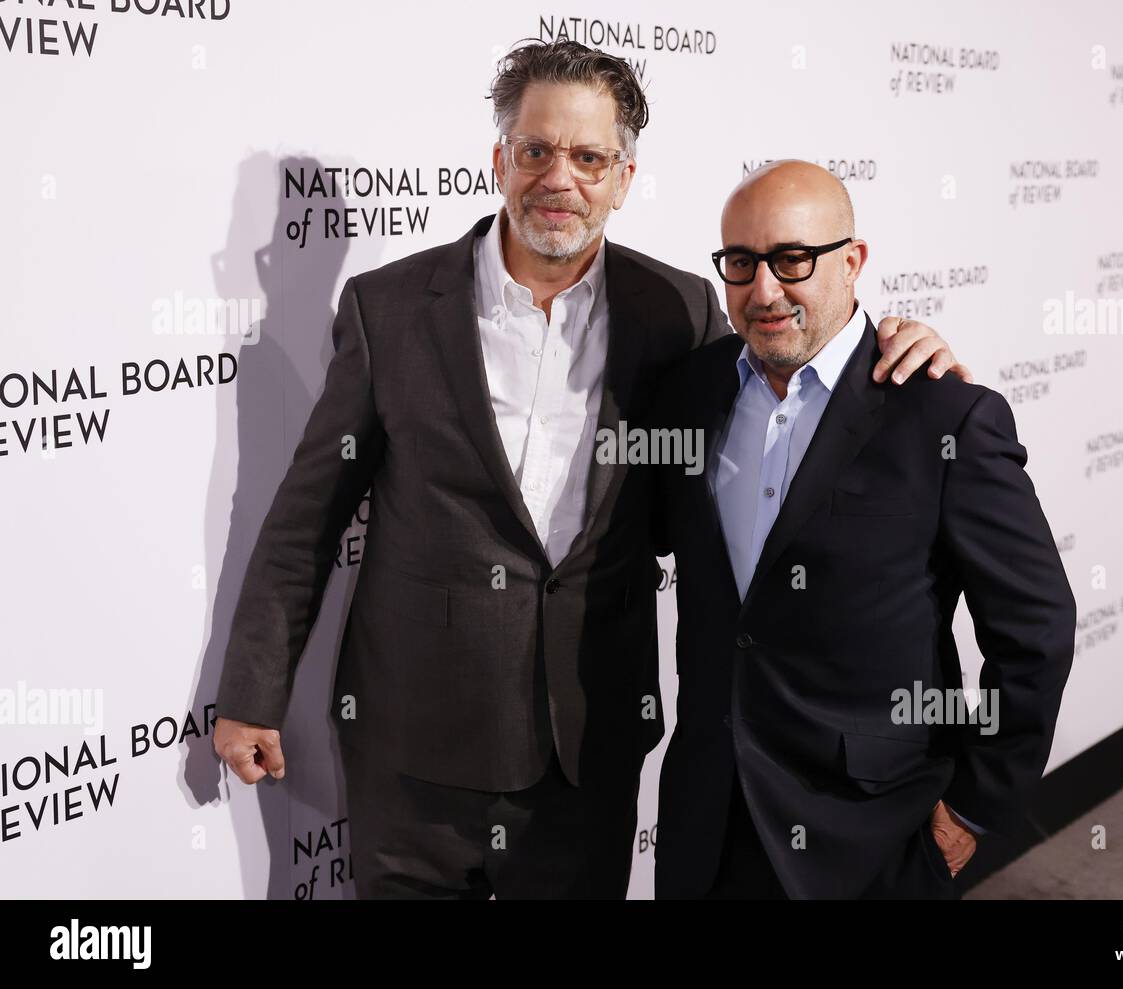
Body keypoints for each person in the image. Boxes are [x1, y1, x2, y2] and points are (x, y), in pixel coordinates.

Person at [213, 41, 967, 899]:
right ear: (500, 160)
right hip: (410, 751)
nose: (558, 179)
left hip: (588, 751)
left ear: (624, 176)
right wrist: (251, 691)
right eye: (535, 151)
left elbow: (793, 391)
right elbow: (306, 518)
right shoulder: (389, 310)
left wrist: (901, 353)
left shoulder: (678, 310)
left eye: (588, 157)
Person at [651, 160, 1076, 899]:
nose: (764, 291)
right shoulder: (694, 390)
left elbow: (1037, 626)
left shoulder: (943, 416)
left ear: (853, 262)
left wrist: (974, 808)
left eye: (793, 259)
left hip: (874, 838)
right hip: (707, 824)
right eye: (741, 263)